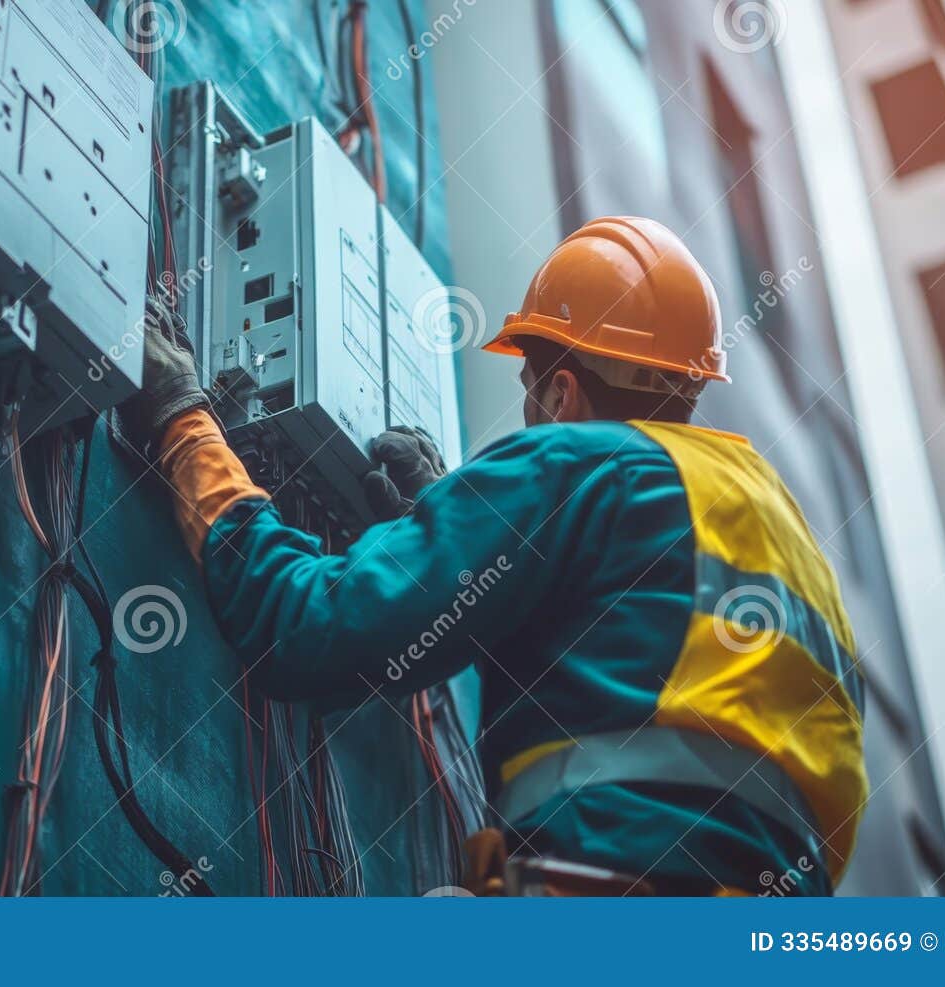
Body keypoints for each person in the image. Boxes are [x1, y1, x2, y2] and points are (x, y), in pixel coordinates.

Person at [120, 216, 867, 895]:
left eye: (530, 390)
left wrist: (182, 416)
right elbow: (631, 670)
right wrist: (472, 543)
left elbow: (303, 626)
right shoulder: (782, 536)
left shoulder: (576, 466)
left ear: (564, 392)